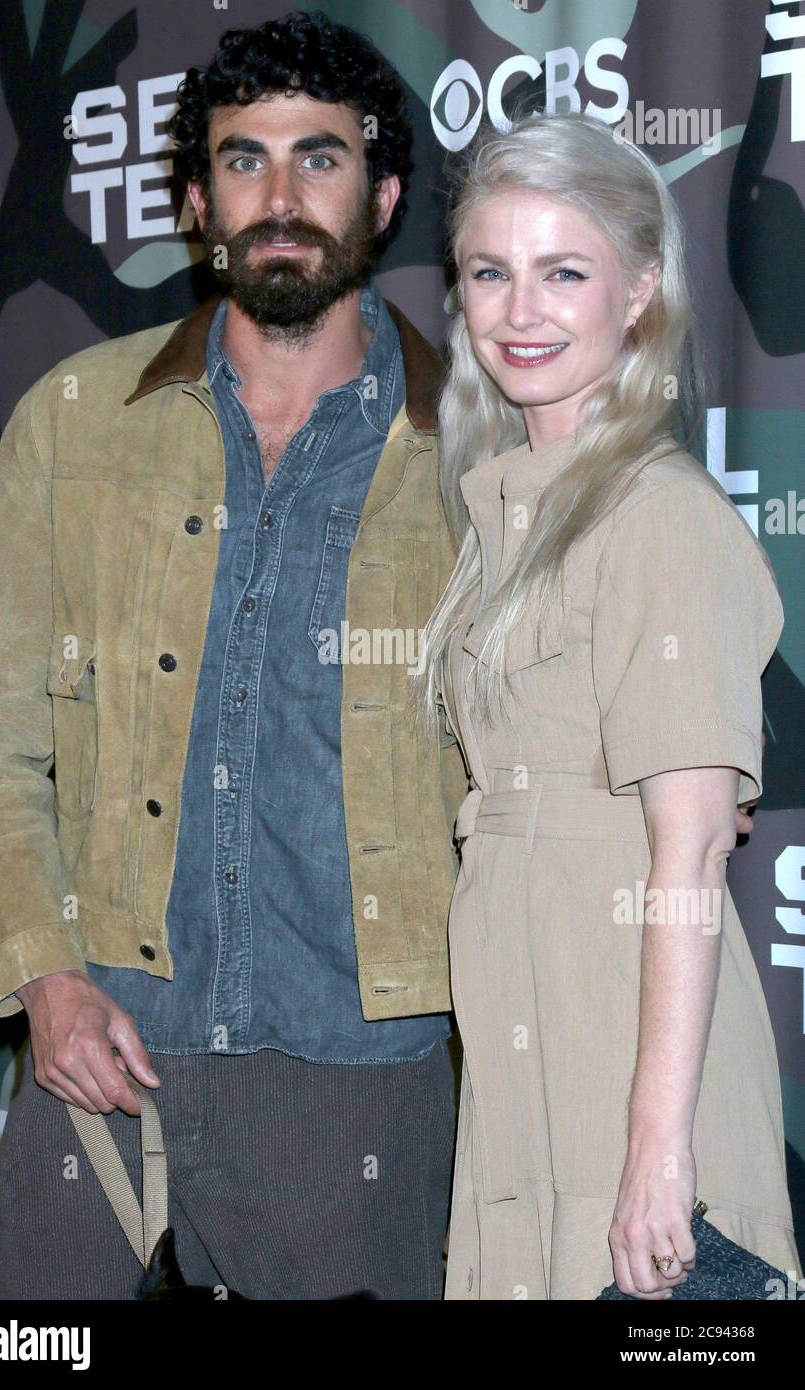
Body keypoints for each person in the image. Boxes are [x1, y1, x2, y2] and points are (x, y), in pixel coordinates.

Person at [0, 12, 465, 1300]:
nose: (280, 196)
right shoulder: (75, 423)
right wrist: (43, 981)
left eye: (320, 158)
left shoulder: (479, 456)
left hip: (363, 1076)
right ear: (193, 200)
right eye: (244, 161)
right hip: (97, 1056)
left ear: (383, 194)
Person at [417, 111, 802, 1301]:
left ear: (637, 291)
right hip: (526, 1101)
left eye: (562, 272)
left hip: (636, 1124)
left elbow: (685, 850)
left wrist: (652, 1157)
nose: (520, 311)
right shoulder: (498, 523)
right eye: (490, 272)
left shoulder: (655, 514)